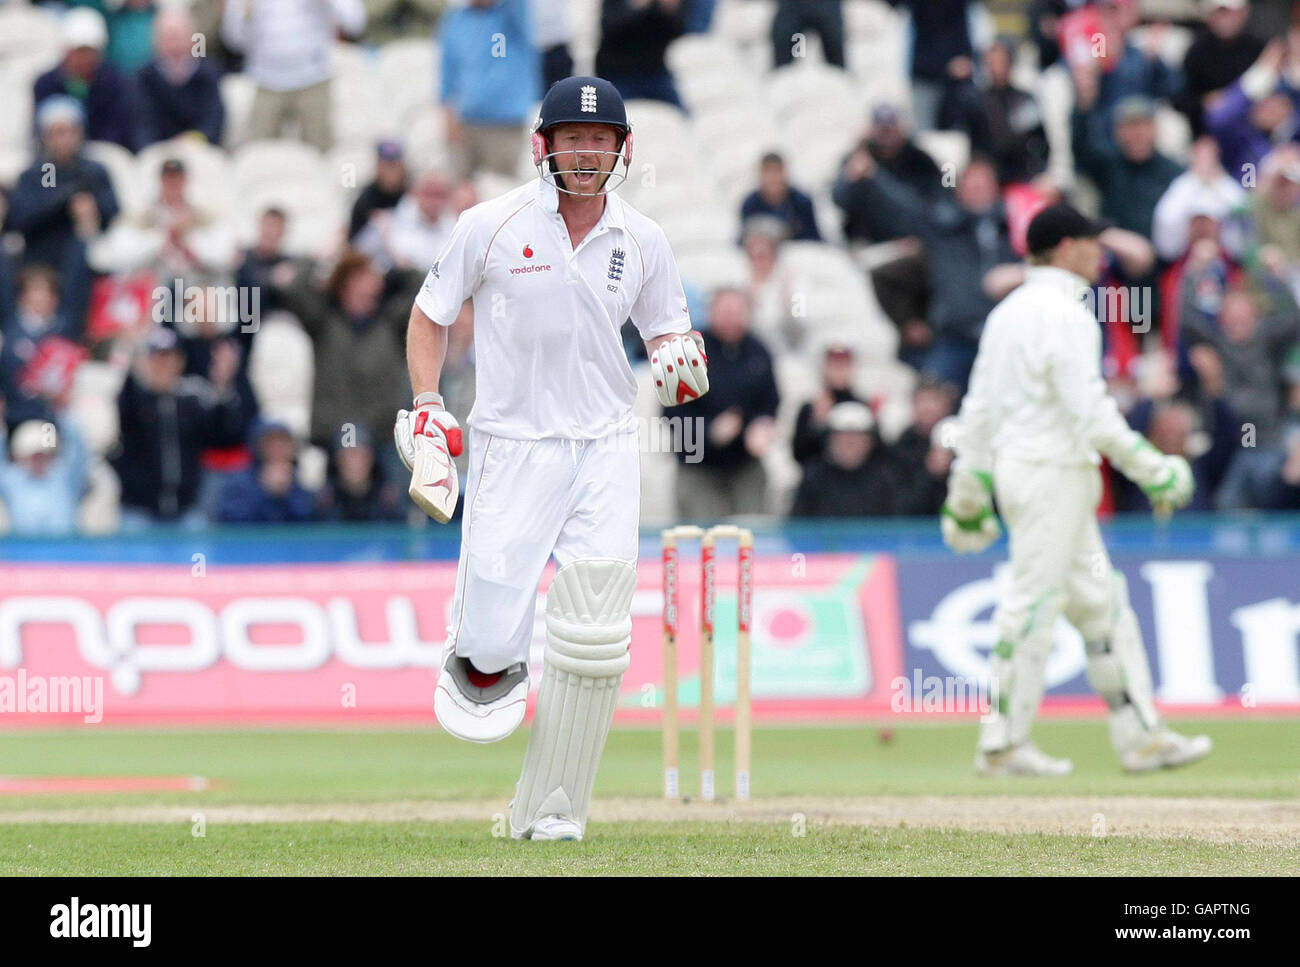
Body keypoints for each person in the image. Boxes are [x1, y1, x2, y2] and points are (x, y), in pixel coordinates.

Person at [398, 77, 708, 840]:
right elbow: (430, 314)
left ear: (621, 150)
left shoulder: (644, 240)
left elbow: (670, 328)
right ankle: (477, 639)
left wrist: (679, 357)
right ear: (544, 145)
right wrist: (430, 404)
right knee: (488, 659)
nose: (586, 151)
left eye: (600, 140)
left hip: (606, 446)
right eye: (572, 137)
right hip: (511, 444)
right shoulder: (491, 225)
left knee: (598, 636)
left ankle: (552, 807)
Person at [943, 203, 1211, 776]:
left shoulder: (1008, 312)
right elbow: (1090, 414)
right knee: (1033, 604)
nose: (1102, 252)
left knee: (1101, 605)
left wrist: (969, 485)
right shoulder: (1067, 316)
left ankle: (1140, 735)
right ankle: (1002, 743)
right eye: (1093, 242)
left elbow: (979, 408)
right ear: (1066, 247)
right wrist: (1154, 467)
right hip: (1052, 476)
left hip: (1036, 475)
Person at [672, 288, 778, 519]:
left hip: (745, 462)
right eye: (724, 312)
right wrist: (709, 432)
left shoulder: (759, 352)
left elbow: (770, 402)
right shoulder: (687, 352)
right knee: (700, 535)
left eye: (737, 312)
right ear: (711, 313)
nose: (731, 318)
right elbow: (672, 414)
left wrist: (762, 424)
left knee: (752, 530)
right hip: (698, 462)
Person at [221, 0, 366, 150]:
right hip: (266, 83)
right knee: (259, 153)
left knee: (321, 152)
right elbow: (234, 42)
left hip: (314, 80)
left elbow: (355, 23)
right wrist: (245, 14)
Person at [440, 0, 540, 178]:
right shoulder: (456, 19)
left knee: (499, 193)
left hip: (504, 126)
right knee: (459, 193)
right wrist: (448, 116)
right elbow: (448, 72)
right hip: (465, 124)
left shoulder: (512, 16)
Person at [33, 7, 136, 150]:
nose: (85, 59)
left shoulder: (115, 82)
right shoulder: (45, 84)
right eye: (79, 51)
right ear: (66, 51)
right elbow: (40, 131)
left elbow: (117, 130)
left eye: (90, 52)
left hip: (102, 155)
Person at [790, 402, 901, 517]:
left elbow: (897, 524)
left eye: (856, 438)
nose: (849, 443)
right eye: (842, 437)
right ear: (829, 441)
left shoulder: (884, 480)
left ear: (870, 442)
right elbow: (798, 523)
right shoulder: (814, 478)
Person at [135, 6, 226, 147]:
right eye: (167, 37)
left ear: (192, 38)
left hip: (200, 149)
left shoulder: (208, 73)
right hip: (158, 153)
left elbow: (214, 120)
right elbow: (142, 124)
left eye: (178, 36)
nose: (173, 44)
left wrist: (193, 140)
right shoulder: (145, 77)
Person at [0, 418, 89, 536]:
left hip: (65, 549)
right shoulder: (12, 481)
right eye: (33, 456)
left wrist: (64, 413)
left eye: (42, 455)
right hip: (23, 550)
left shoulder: (65, 478)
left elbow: (78, 454)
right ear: (21, 457)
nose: (37, 460)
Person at [739, 153, 821, 242]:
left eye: (777, 171)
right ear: (761, 174)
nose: (773, 177)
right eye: (768, 171)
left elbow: (814, 240)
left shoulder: (802, 202)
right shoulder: (750, 205)